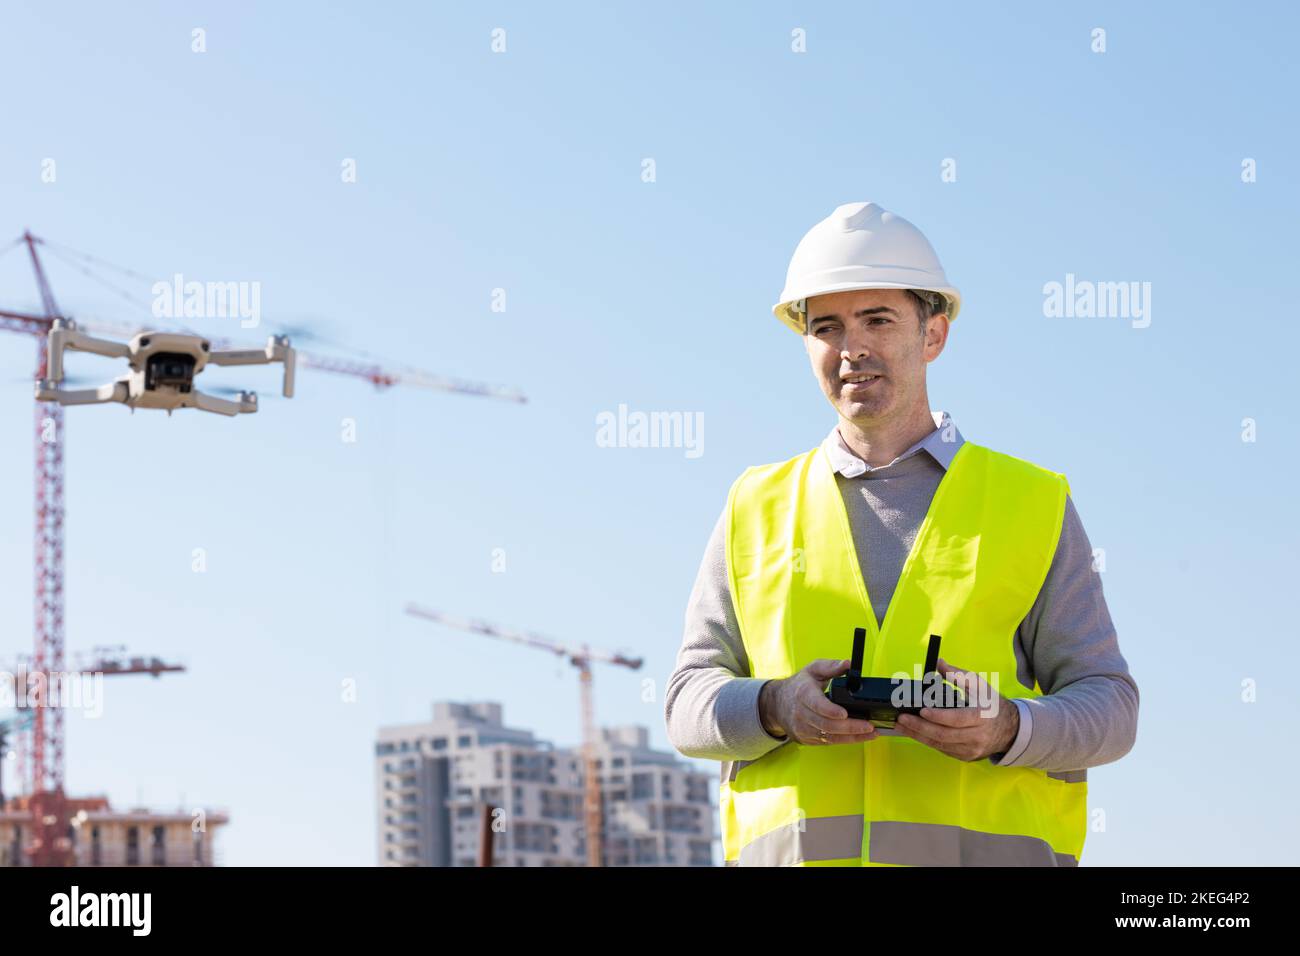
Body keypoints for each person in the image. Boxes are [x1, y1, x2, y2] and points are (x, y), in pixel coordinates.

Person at [664, 201, 1138, 866]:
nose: (851, 347)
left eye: (877, 320)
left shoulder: (1032, 501)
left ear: (933, 335)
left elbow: (1111, 707)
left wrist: (1006, 726)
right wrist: (776, 706)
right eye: (826, 327)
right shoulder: (754, 505)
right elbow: (687, 701)